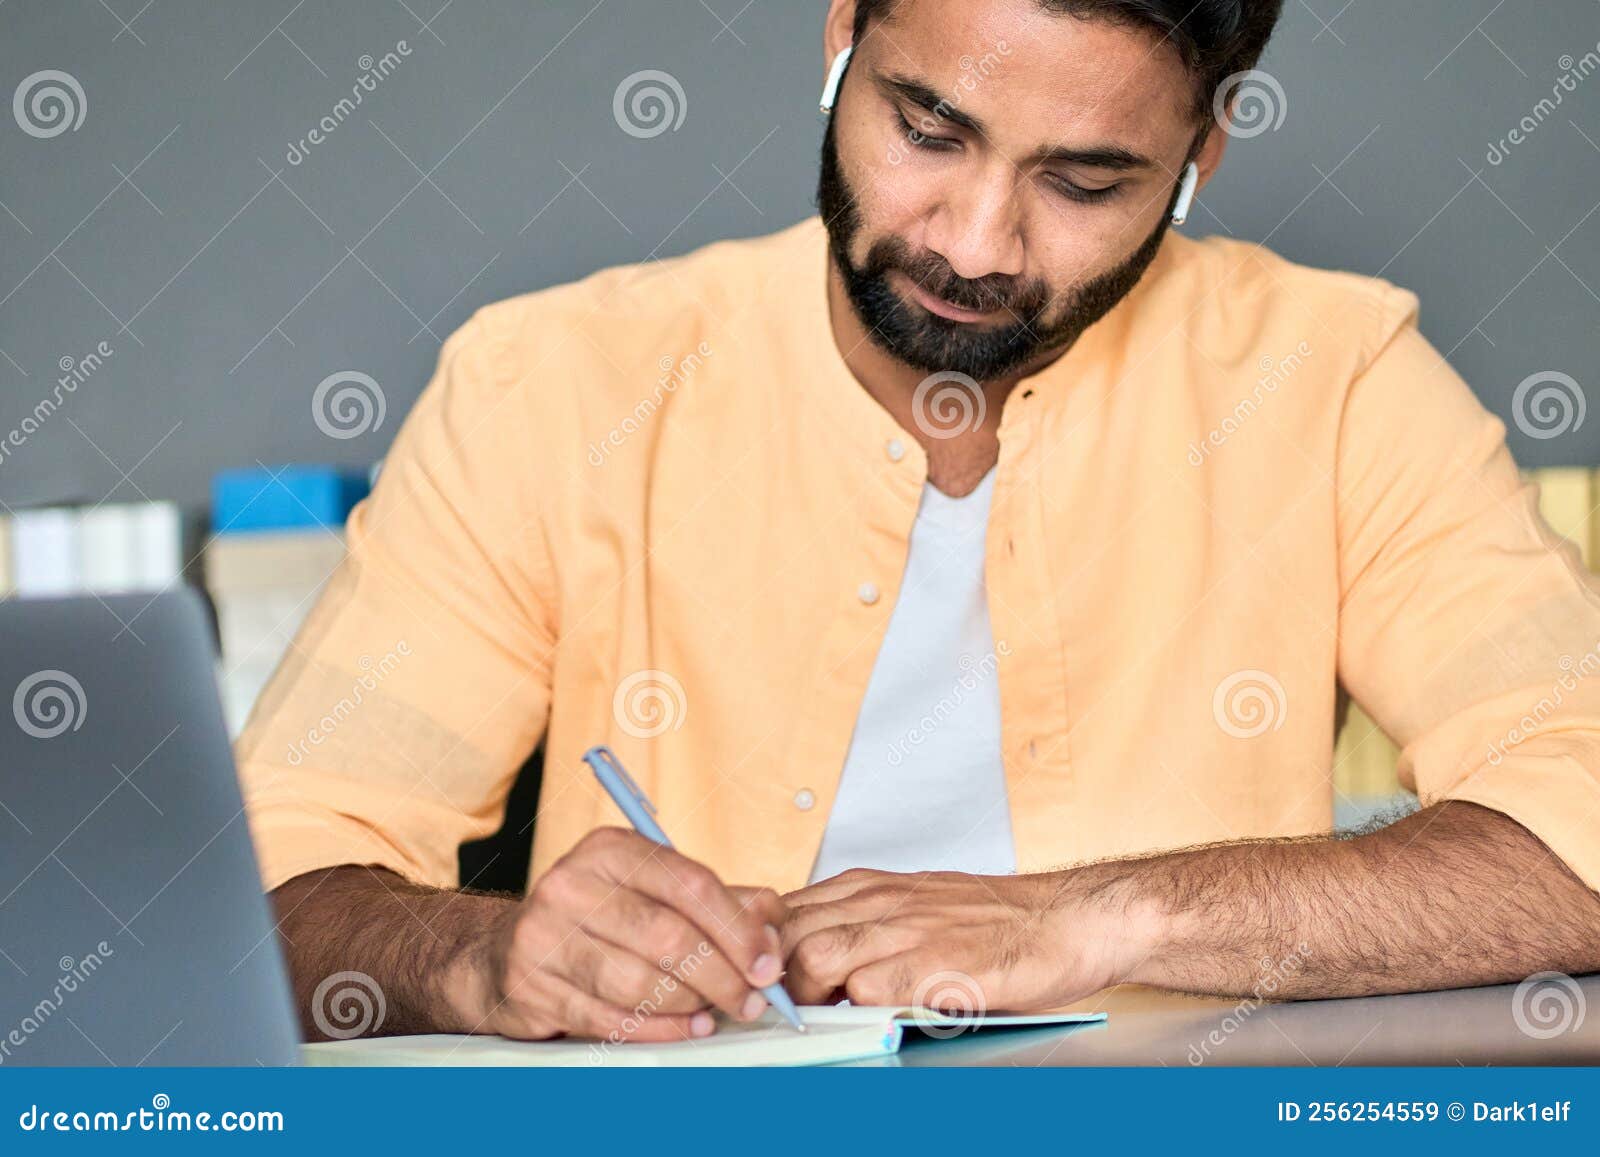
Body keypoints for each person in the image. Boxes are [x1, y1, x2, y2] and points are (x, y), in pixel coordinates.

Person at [242, 0, 1600, 1044]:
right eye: (928, 131)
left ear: (1204, 147)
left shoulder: (1336, 378)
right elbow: (270, 875)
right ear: (842, 36)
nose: (980, 242)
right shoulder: (552, 385)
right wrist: (483, 957)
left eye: (1084, 183)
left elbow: (1581, 803)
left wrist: (1095, 915)